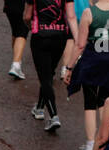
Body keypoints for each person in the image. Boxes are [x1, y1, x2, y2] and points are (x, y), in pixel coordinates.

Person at [64, 0, 109, 150]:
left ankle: (90, 145)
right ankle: (105, 141)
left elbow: (80, 44)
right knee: (105, 100)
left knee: (90, 102)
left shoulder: (89, 12)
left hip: (92, 60)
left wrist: (69, 67)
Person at [26, 0, 77, 133]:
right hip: (60, 36)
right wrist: (78, 39)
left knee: (44, 77)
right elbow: (71, 16)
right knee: (49, 73)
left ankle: (54, 116)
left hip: (41, 35)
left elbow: (27, 15)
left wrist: (30, 26)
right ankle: (39, 108)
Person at [5, 0, 29, 78]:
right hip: (23, 6)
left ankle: (17, 61)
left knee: (15, 32)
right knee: (22, 32)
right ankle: (16, 65)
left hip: (9, 6)